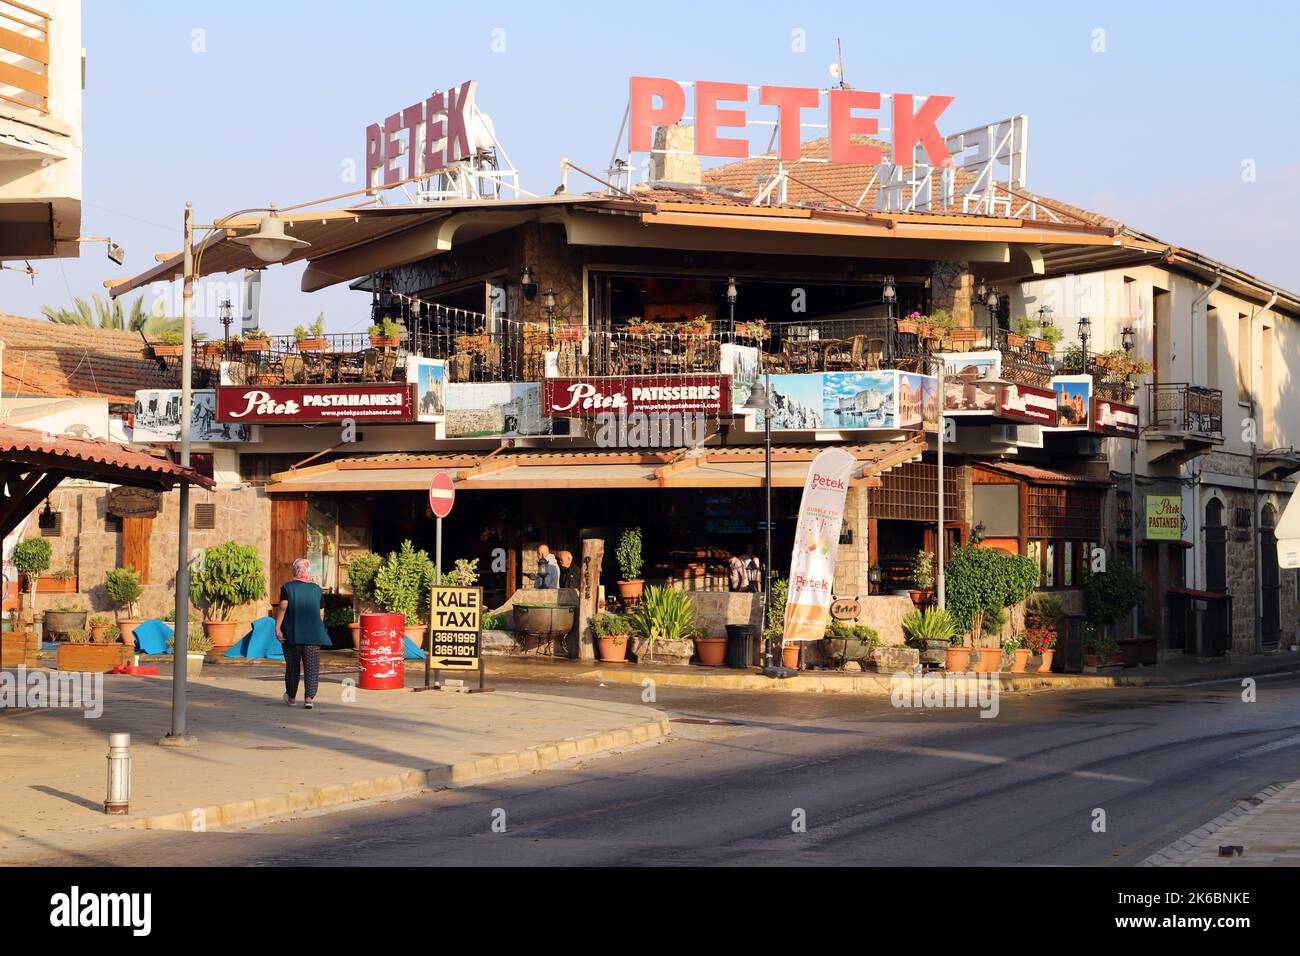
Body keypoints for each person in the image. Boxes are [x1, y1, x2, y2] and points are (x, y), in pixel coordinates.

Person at [274, 558, 331, 709]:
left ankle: (292, 697)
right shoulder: (317, 589)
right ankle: (308, 699)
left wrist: (277, 627)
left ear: (295, 570)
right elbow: (321, 614)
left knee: (292, 666)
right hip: (313, 635)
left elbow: (283, 608)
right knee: (311, 667)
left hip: (292, 634)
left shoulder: (287, 587)